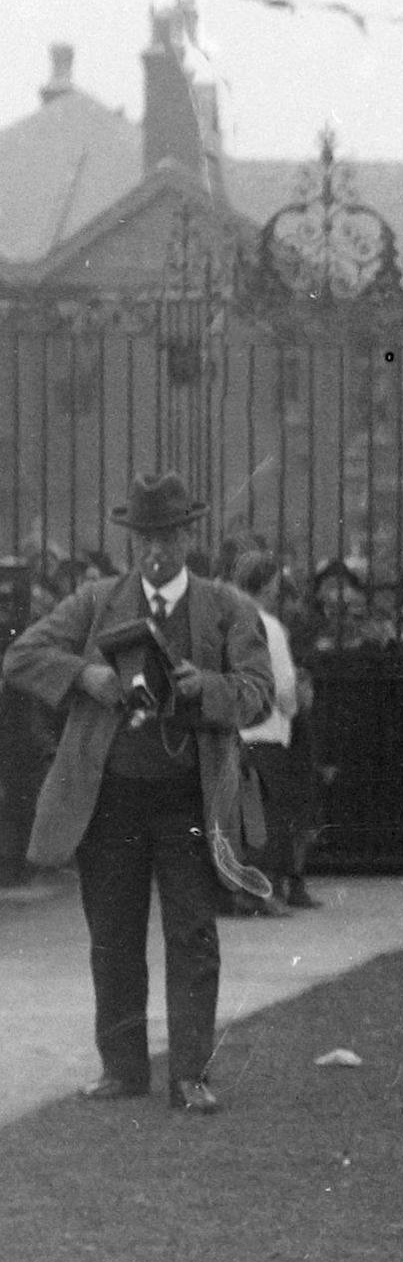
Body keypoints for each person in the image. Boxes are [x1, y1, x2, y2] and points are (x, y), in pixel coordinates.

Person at [3, 472, 277, 1113]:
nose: (157, 549)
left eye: (169, 535)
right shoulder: (97, 600)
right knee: (113, 937)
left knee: (193, 935)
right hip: (112, 800)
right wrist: (85, 674)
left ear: (189, 535)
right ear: (133, 540)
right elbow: (20, 658)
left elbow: (258, 694)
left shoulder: (226, 609)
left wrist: (201, 686)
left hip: (188, 800)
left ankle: (190, 1076)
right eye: (146, 537)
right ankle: (123, 1070)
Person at [230, 547, 322, 911]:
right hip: (266, 729)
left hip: (232, 729)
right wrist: (294, 705)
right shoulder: (268, 626)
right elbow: (283, 687)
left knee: (239, 815)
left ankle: (238, 891)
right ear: (268, 586)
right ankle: (263, 893)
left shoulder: (225, 619)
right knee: (268, 816)